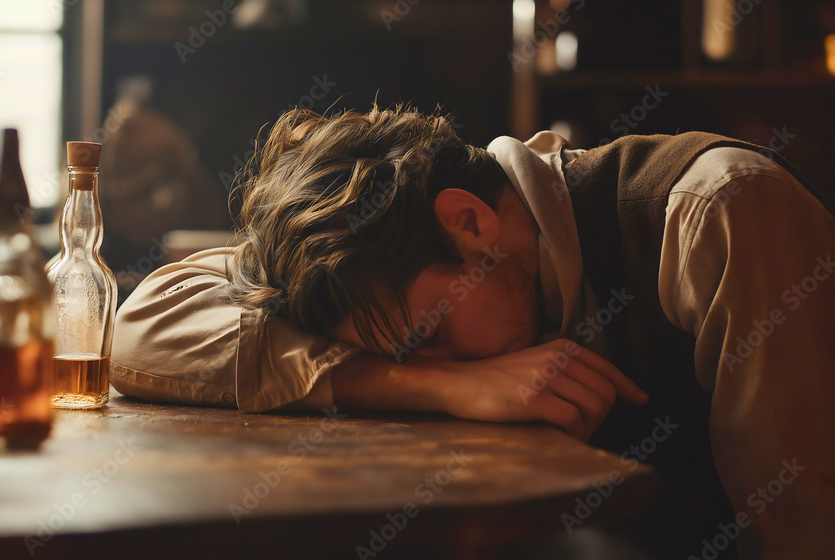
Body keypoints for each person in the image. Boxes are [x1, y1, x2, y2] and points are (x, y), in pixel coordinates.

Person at [109, 105, 835, 559]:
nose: (441, 360)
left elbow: (802, 531)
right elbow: (144, 323)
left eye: (428, 333)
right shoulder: (387, 265)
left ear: (469, 223)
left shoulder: (718, 211)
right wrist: (437, 380)